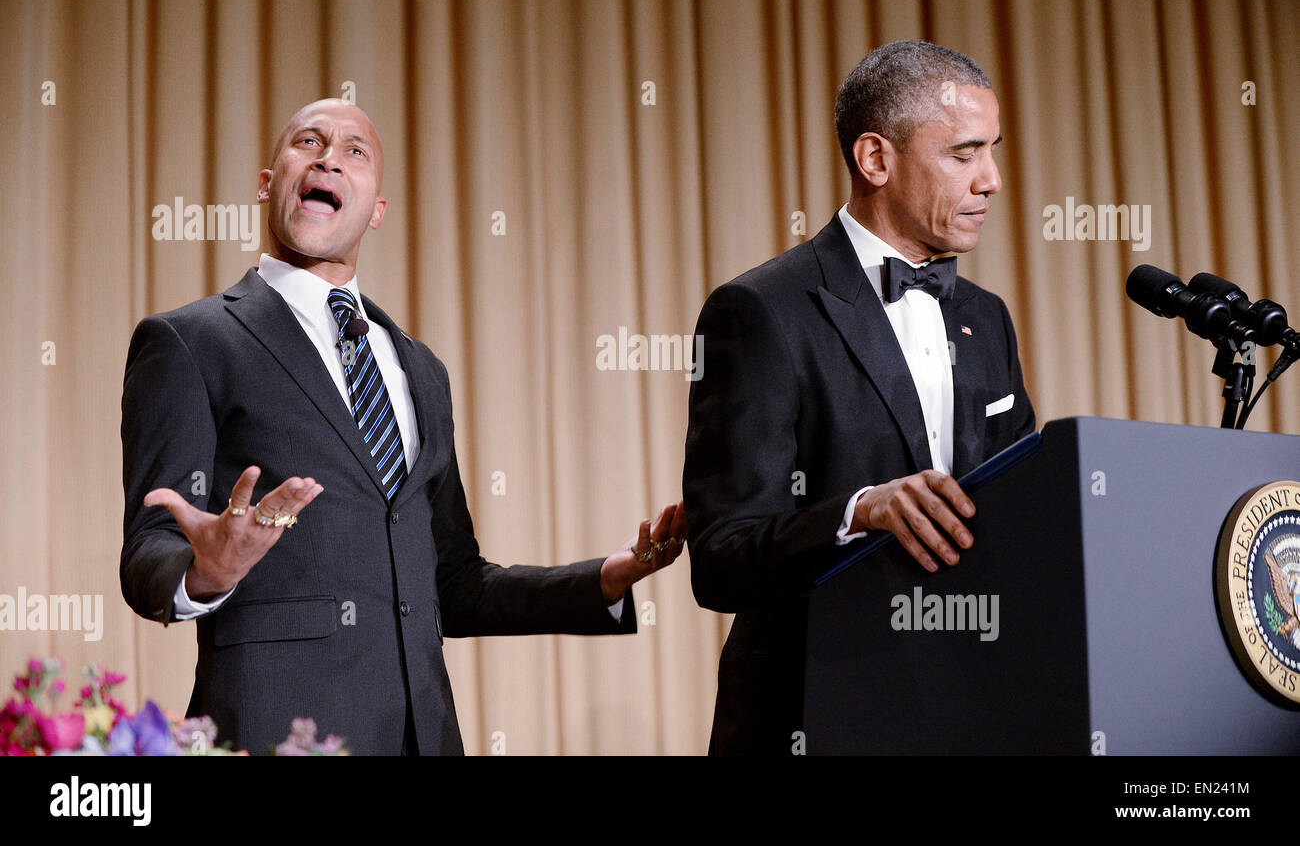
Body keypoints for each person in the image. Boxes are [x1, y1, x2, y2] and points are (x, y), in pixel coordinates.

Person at [120, 98, 686, 755]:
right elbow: (148, 553)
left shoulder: (421, 368)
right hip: (276, 733)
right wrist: (207, 572)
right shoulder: (191, 341)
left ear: (375, 209)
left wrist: (602, 579)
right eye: (308, 141)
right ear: (268, 183)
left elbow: (455, 582)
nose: (329, 155)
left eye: (354, 150)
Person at [682, 40, 1036, 755]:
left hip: (972, 711)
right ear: (876, 160)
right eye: (965, 154)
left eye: (993, 150)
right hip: (817, 712)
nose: (993, 179)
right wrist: (855, 511)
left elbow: (1017, 516)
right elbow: (721, 555)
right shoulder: (760, 310)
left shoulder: (987, 315)